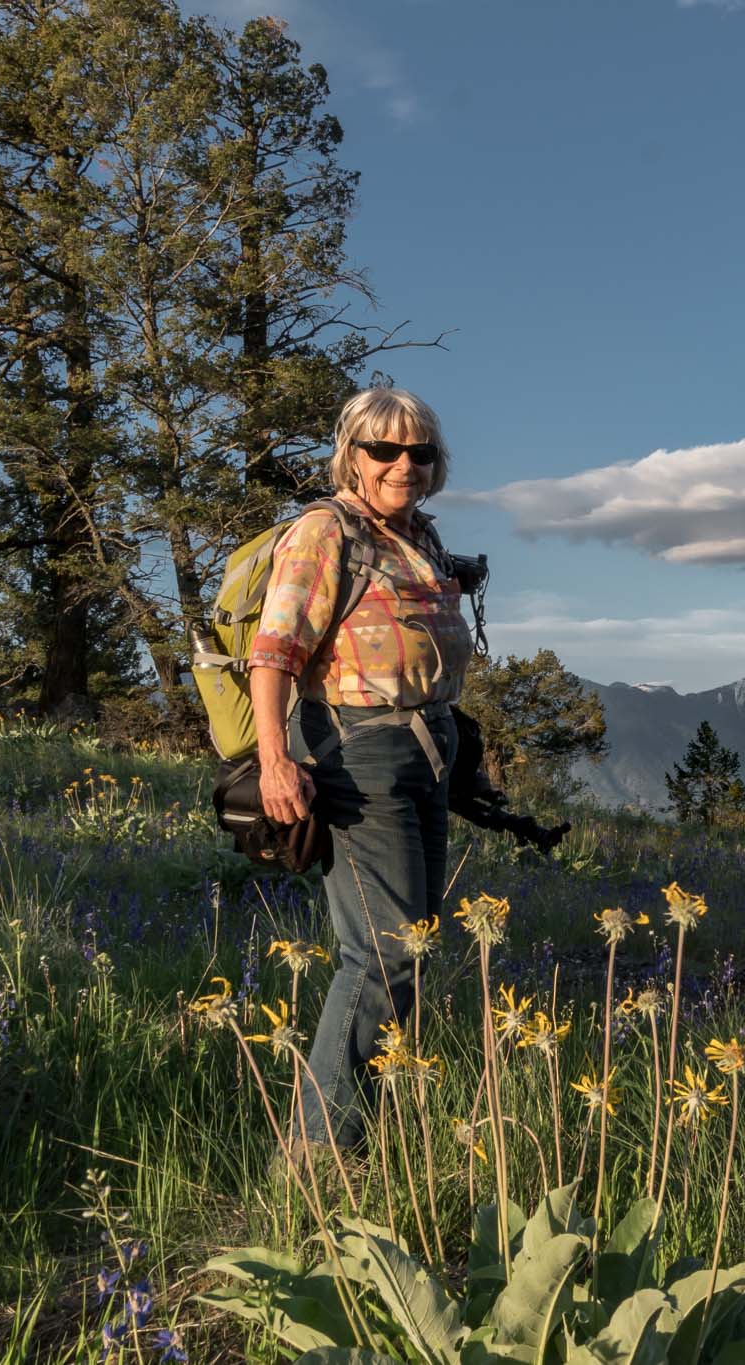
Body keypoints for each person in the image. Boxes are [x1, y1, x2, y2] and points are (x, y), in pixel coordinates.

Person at [246, 386, 473, 1152]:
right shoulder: (325, 531)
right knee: (382, 951)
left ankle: (356, 1132)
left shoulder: (422, 538)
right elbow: (274, 651)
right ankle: (315, 1156)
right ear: (353, 453)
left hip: (426, 747)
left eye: (420, 452)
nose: (404, 464)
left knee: (413, 939)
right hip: (357, 750)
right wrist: (275, 758)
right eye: (386, 449)